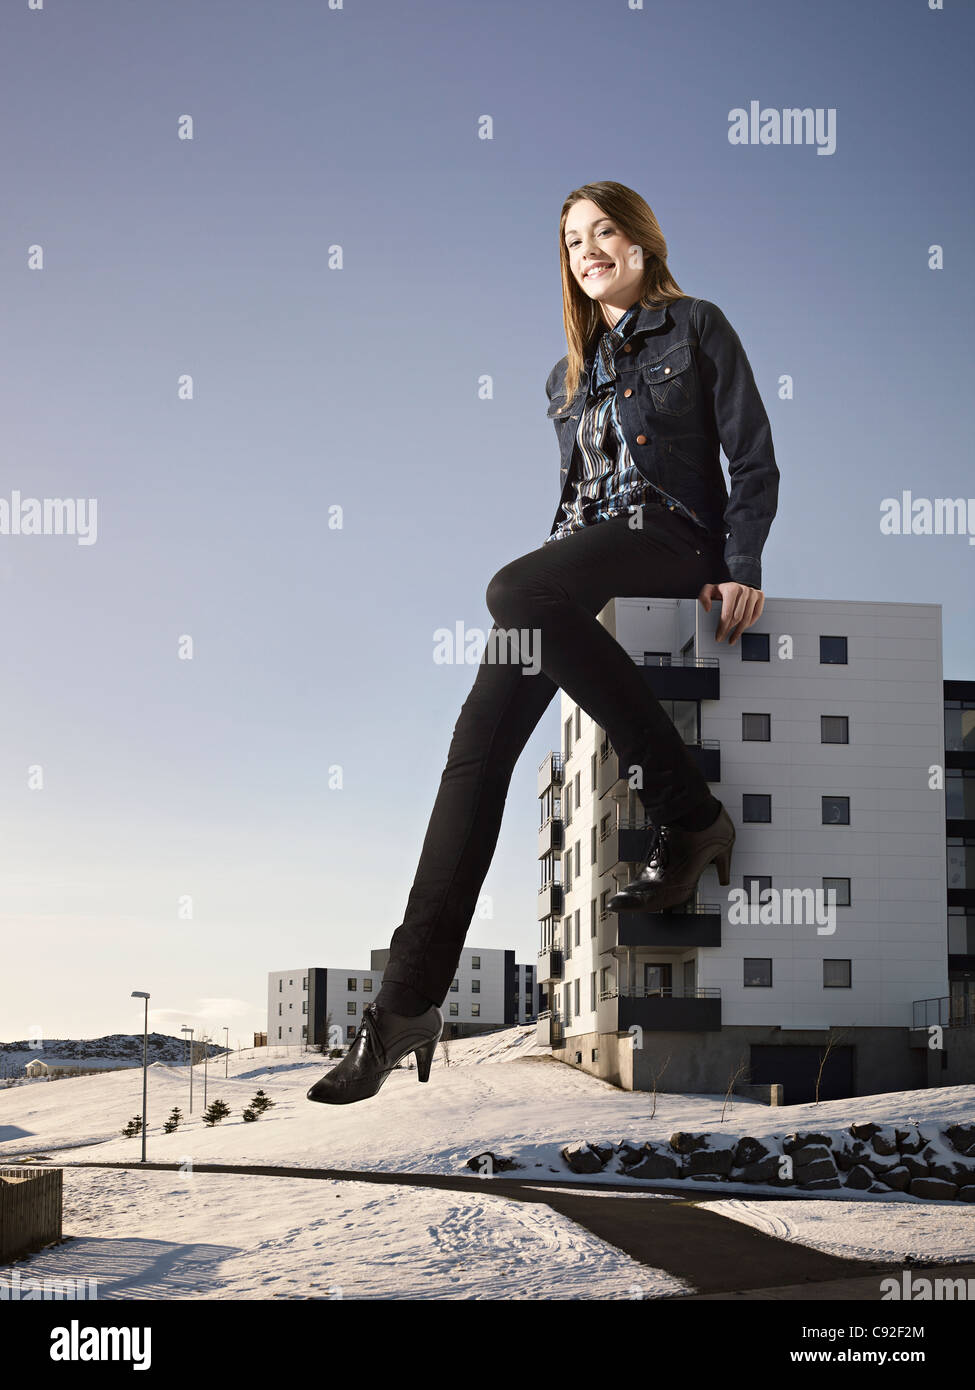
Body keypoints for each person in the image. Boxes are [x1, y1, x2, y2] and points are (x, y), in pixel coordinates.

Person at [307, 180, 779, 1106]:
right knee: (473, 753)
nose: (588, 250)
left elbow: (752, 456)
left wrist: (742, 563)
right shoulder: (564, 376)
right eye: (572, 240)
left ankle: (687, 811)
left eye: (604, 231)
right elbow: (572, 506)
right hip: (586, 561)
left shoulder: (696, 326)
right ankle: (404, 1006)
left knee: (509, 588)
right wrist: (550, 598)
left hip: (675, 539)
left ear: (642, 241)